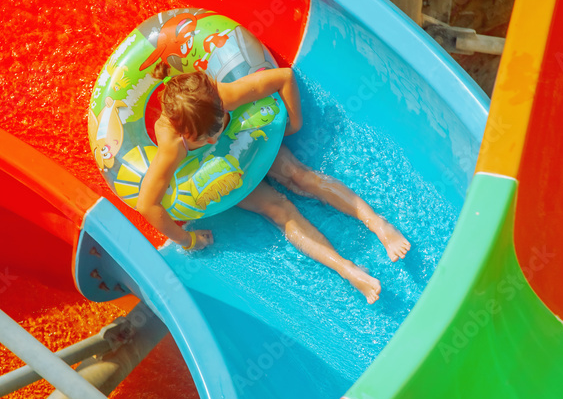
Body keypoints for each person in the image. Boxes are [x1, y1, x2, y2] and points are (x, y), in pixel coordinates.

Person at [135, 64, 411, 304]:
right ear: (184, 133)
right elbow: (147, 204)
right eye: (204, 140)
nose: (212, 141)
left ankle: (378, 224)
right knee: (279, 209)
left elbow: (284, 77)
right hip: (214, 174)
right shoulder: (172, 146)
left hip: (245, 142)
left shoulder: (223, 96)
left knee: (301, 176)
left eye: (216, 131)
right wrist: (187, 239)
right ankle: (347, 269)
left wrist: (294, 124)